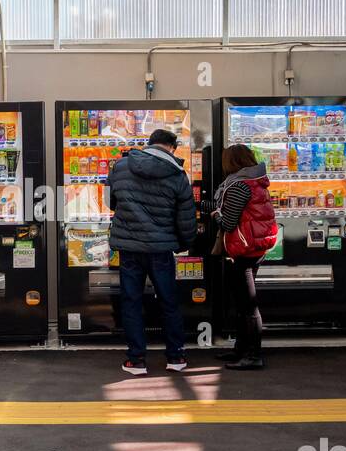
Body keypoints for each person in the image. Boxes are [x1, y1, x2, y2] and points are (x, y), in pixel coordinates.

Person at [107, 128, 197, 375]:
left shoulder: (121, 166)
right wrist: (184, 243)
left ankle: (136, 360)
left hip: (129, 247)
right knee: (169, 302)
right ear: (172, 147)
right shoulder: (178, 174)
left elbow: (110, 202)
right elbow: (186, 217)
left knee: (131, 302)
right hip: (161, 249)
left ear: (149, 144)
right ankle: (176, 357)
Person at [213, 144, 277, 370]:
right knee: (242, 303)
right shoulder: (256, 181)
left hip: (244, 251)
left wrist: (215, 216)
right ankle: (240, 350)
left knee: (248, 306)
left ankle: (253, 356)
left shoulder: (239, 185)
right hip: (255, 249)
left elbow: (228, 222)